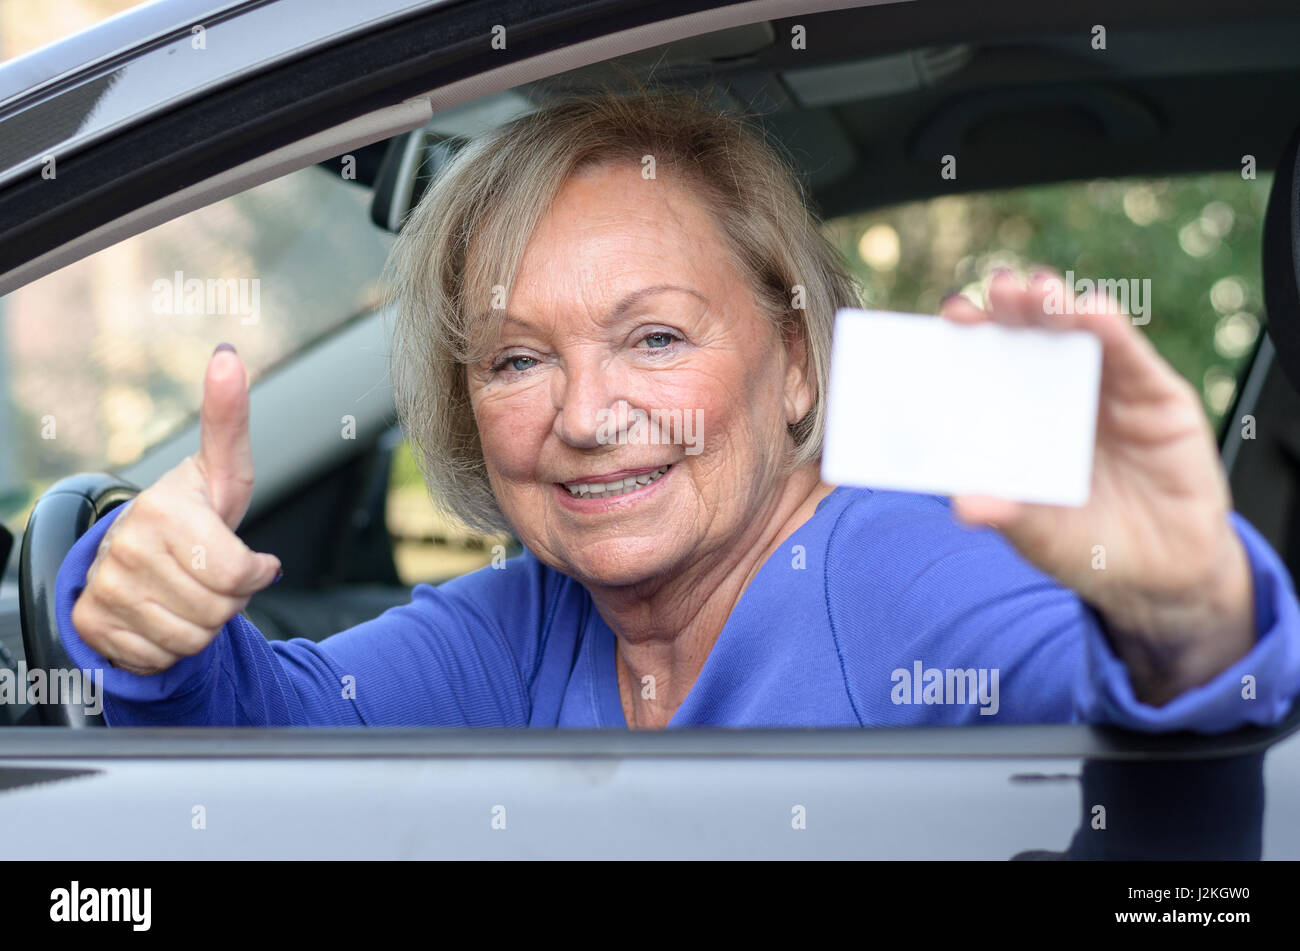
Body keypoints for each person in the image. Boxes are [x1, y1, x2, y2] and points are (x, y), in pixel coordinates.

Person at [56, 90, 1300, 729]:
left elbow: (1143, 714)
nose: (588, 415)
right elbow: (263, 745)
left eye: (653, 336)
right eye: (515, 360)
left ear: (799, 363)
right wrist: (146, 604)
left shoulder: (896, 567)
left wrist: (1187, 616)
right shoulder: (524, 628)